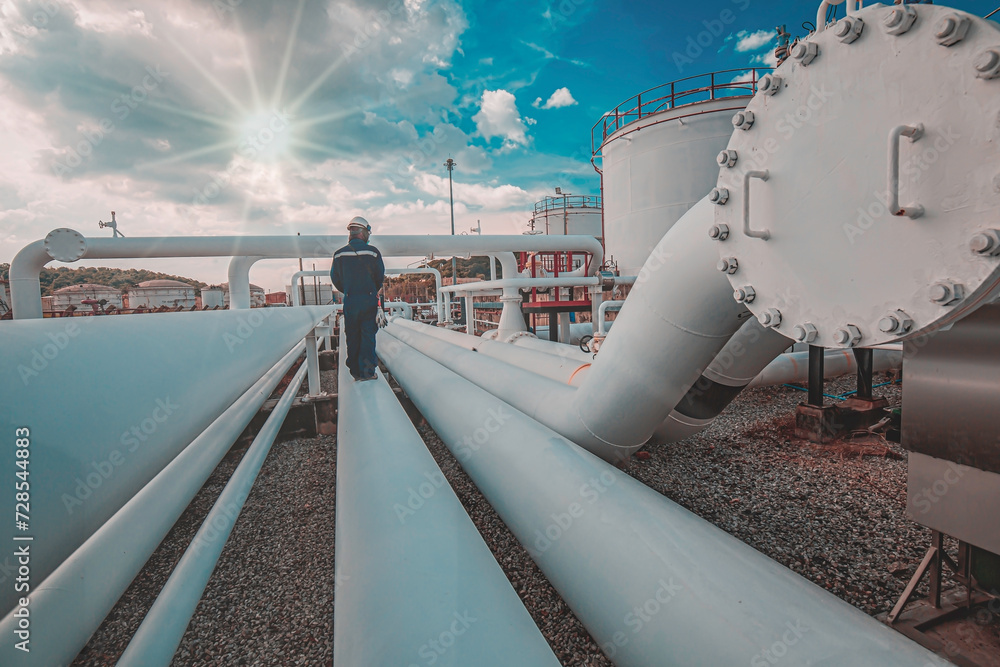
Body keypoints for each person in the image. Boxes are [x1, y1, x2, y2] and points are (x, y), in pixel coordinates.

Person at [330, 216, 385, 381]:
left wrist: (348, 290)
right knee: (368, 335)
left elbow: (336, 279)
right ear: (364, 232)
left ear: (351, 232)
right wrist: (369, 289)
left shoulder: (339, 255)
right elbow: (379, 277)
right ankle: (367, 372)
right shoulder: (373, 252)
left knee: (352, 334)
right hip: (368, 299)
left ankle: (355, 371)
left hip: (350, 299)